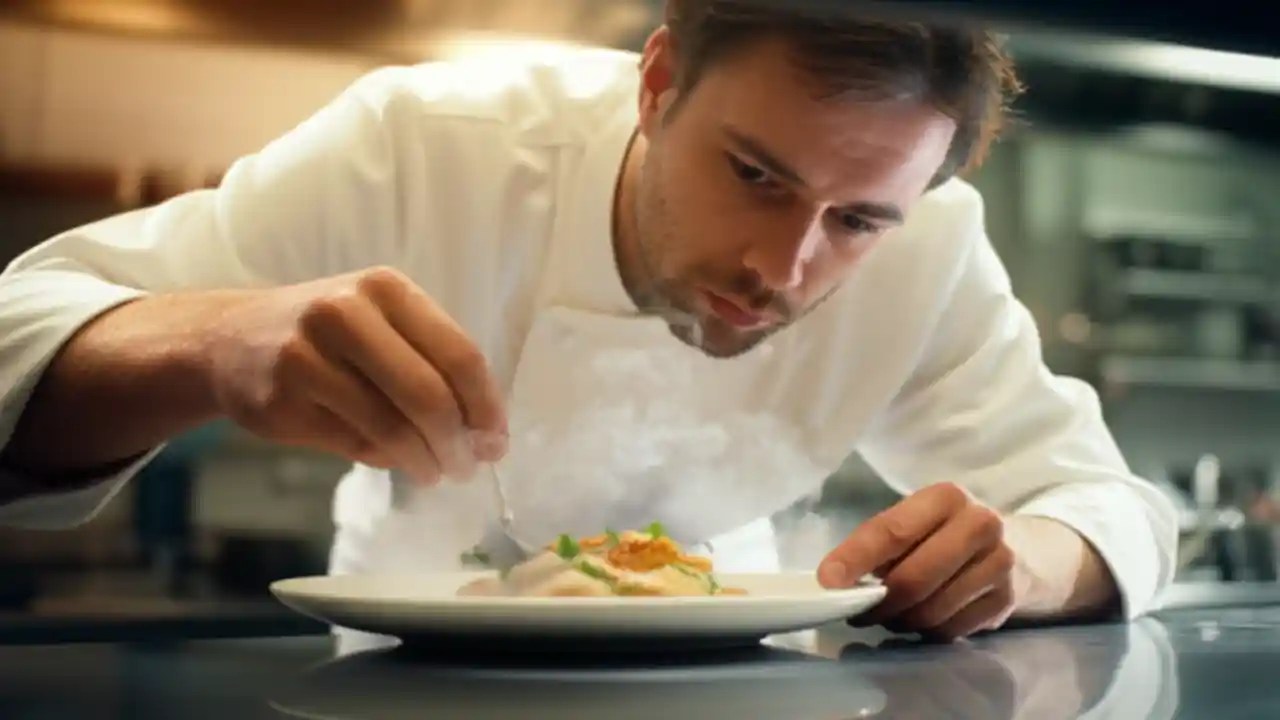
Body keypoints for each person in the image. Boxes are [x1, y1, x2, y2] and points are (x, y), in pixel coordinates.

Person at [0, 0, 1176, 644]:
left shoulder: (931, 246)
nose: (781, 266)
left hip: (729, 680)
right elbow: (24, 322)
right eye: (754, 175)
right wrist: (211, 342)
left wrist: (1016, 566)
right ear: (655, 84)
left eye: (857, 220)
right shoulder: (423, 145)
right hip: (406, 675)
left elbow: (1107, 508)